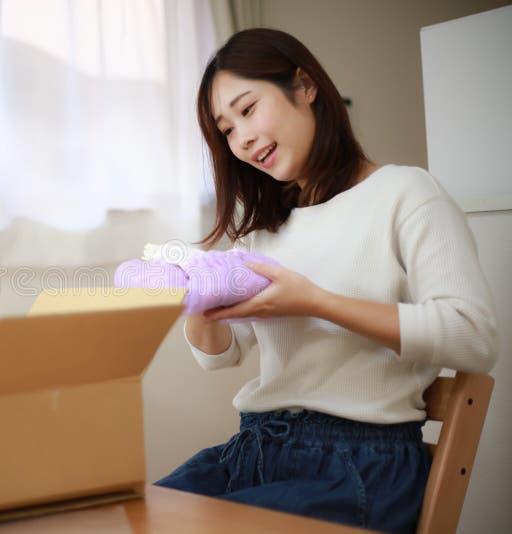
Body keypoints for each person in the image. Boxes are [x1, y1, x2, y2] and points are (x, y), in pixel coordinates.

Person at [153, 28, 498, 533]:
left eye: (247, 109)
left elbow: (474, 336)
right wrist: (198, 302)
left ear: (306, 86)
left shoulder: (405, 193)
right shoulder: (267, 230)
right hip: (254, 448)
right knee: (132, 519)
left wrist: (315, 302)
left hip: (361, 466)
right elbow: (219, 355)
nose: (241, 139)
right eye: (226, 130)